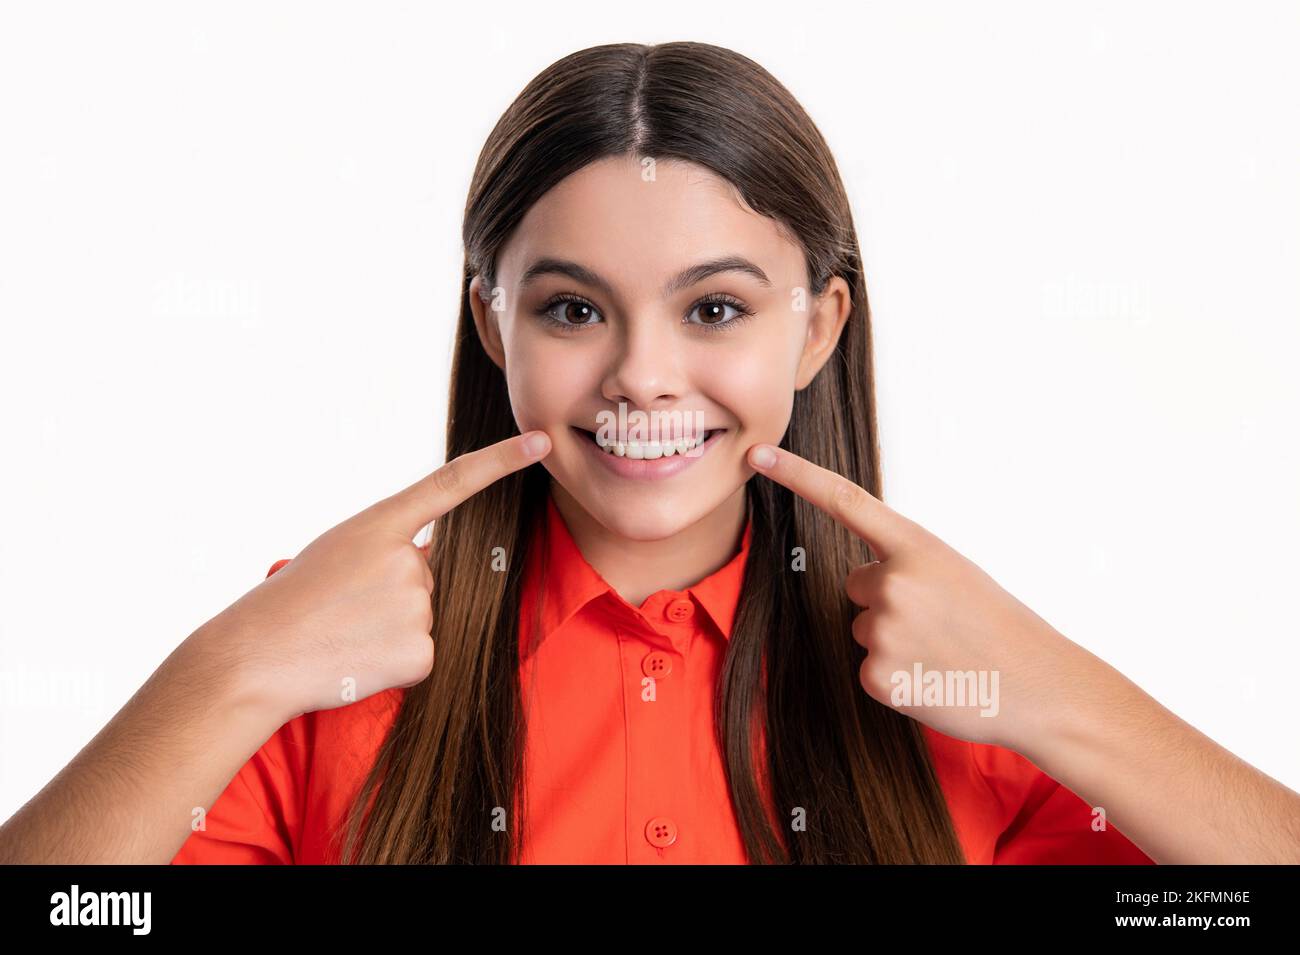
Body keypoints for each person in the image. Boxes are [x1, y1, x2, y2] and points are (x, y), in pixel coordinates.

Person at [3, 42, 1296, 865]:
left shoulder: (965, 681)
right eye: (572, 309)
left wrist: (1056, 687)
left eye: (716, 309)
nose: (641, 375)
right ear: (489, 321)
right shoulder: (321, 654)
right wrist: (226, 670)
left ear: (819, 328)